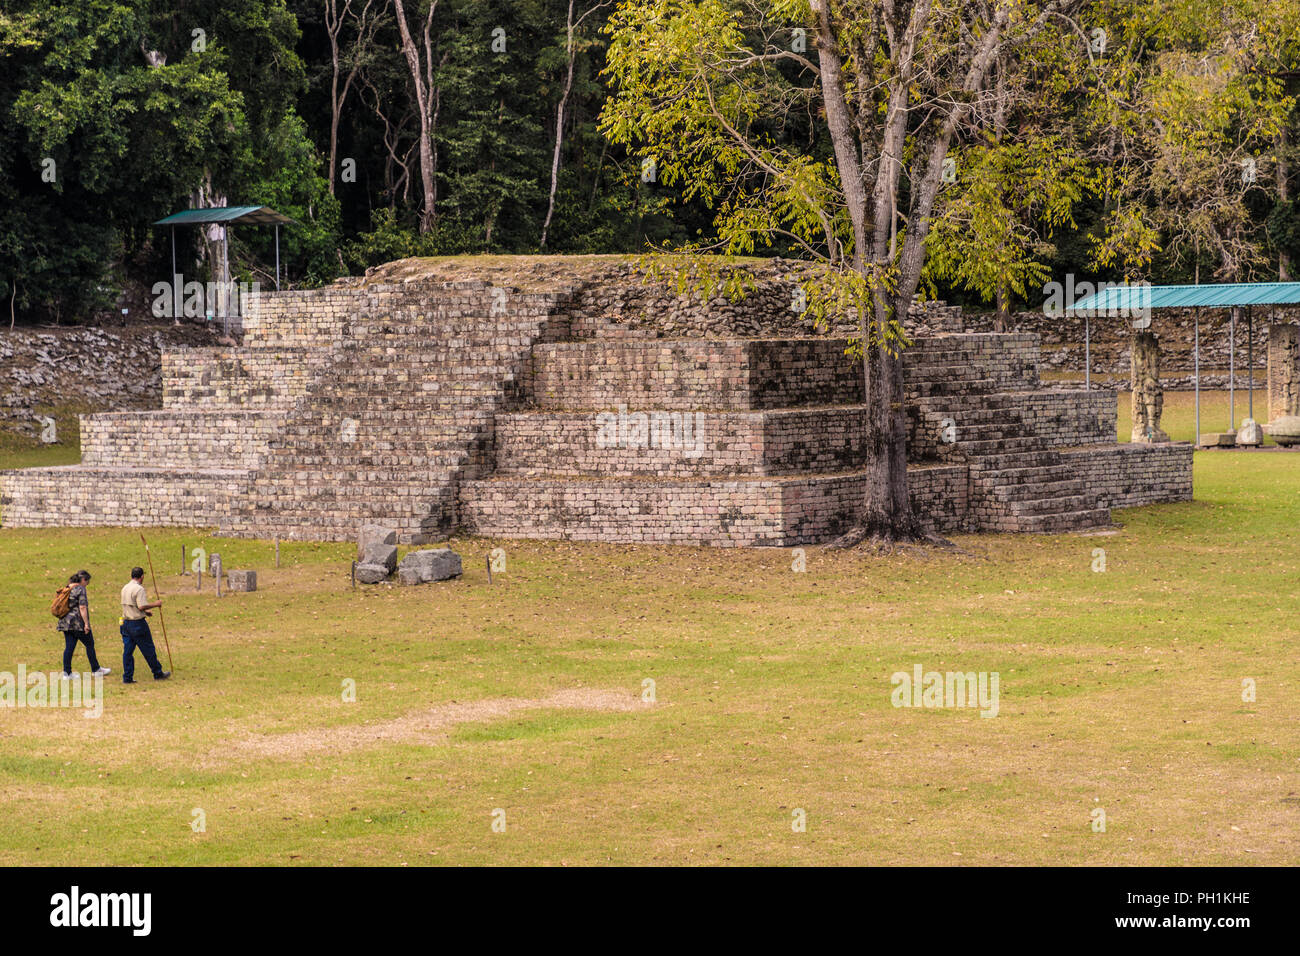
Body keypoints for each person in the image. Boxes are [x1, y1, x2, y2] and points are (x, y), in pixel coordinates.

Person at [120, 567, 170, 683]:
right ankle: (157, 673)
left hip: (125, 623)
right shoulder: (139, 589)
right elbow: (141, 606)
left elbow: (132, 605)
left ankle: (127, 677)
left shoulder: (125, 587)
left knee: (128, 652)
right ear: (141, 576)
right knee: (148, 649)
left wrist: (145, 612)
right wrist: (156, 604)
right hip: (137, 624)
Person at [57, 570, 110, 678]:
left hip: (65, 623)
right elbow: (82, 607)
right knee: (89, 644)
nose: (87, 584)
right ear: (83, 580)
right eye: (87, 582)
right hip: (77, 623)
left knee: (69, 647)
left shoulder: (67, 588)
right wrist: (86, 624)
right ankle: (96, 670)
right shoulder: (80, 589)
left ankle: (67, 673)